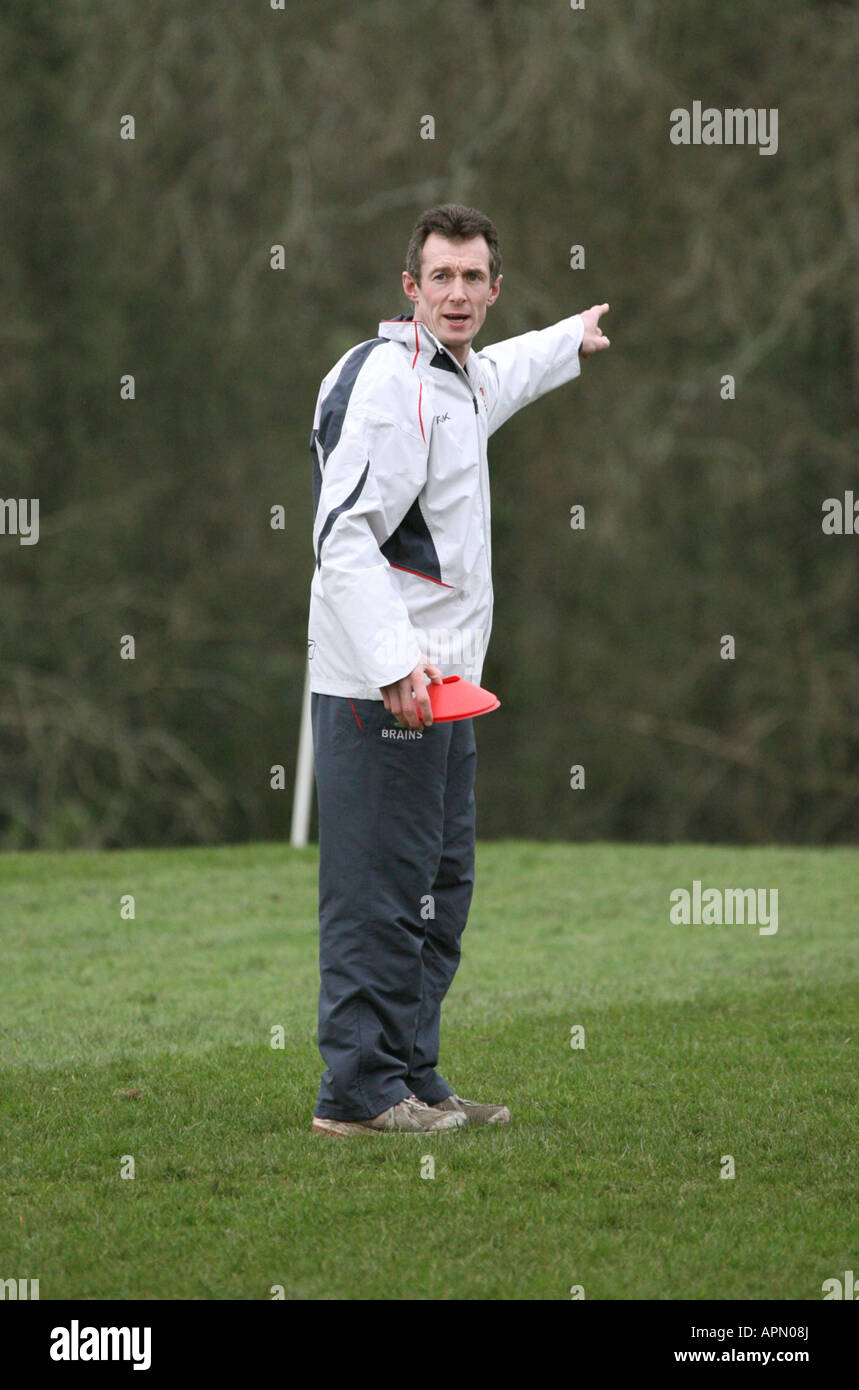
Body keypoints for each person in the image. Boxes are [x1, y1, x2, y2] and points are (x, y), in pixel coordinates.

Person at [307, 204, 610, 1136]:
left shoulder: (459, 377)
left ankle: (410, 1076)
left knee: (439, 891)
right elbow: (341, 538)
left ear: (494, 287)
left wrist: (570, 338)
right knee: (380, 892)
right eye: (441, 276)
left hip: (448, 690)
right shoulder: (388, 383)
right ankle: (356, 1095)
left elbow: (504, 376)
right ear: (410, 288)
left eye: (475, 277)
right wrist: (395, 663)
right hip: (382, 689)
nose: (459, 293)